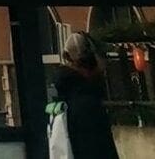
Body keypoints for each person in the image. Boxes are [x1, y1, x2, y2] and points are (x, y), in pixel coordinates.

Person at [48, 31, 120, 159]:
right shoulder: (87, 104)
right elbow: (97, 150)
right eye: (102, 57)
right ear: (90, 62)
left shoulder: (62, 100)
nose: (103, 66)